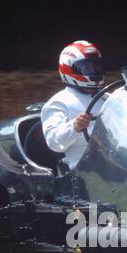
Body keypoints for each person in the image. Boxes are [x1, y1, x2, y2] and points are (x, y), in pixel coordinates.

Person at [41, 40, 105, 168]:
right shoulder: (58, 102)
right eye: (87, 67)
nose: (93, 71)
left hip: (115, 161)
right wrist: (74, 126)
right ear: (69, 69)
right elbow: (54, 142)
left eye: (96, 66)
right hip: (80, 169)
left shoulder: (108, 97)